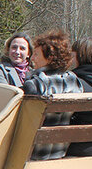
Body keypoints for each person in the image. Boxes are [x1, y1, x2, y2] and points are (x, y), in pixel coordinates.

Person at [22, 30, 84, 160]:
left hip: (35, 154)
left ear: (49, 58)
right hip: (60, 151)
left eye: (36, 54)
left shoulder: (35, 84)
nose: (32, 58)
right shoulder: (74, 81)